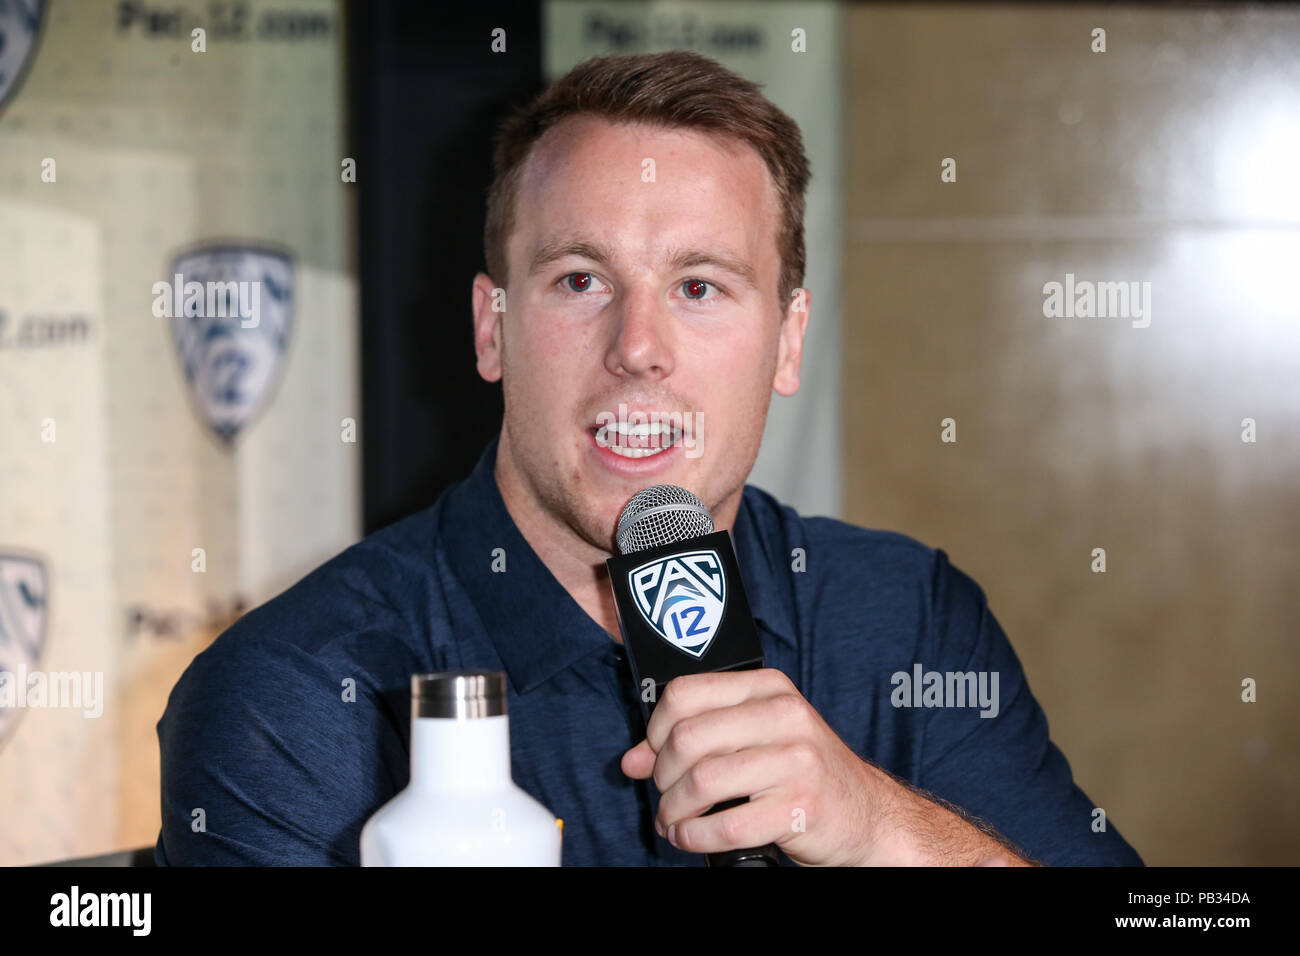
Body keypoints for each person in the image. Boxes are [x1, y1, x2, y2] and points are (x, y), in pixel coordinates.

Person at [155, 50, 1142, 866]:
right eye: (581, 278)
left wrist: (879, 827)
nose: (638, 344)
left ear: (789, 341)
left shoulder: (904, 616)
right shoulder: (298, 689)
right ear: (491, 328)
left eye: (701, 286)